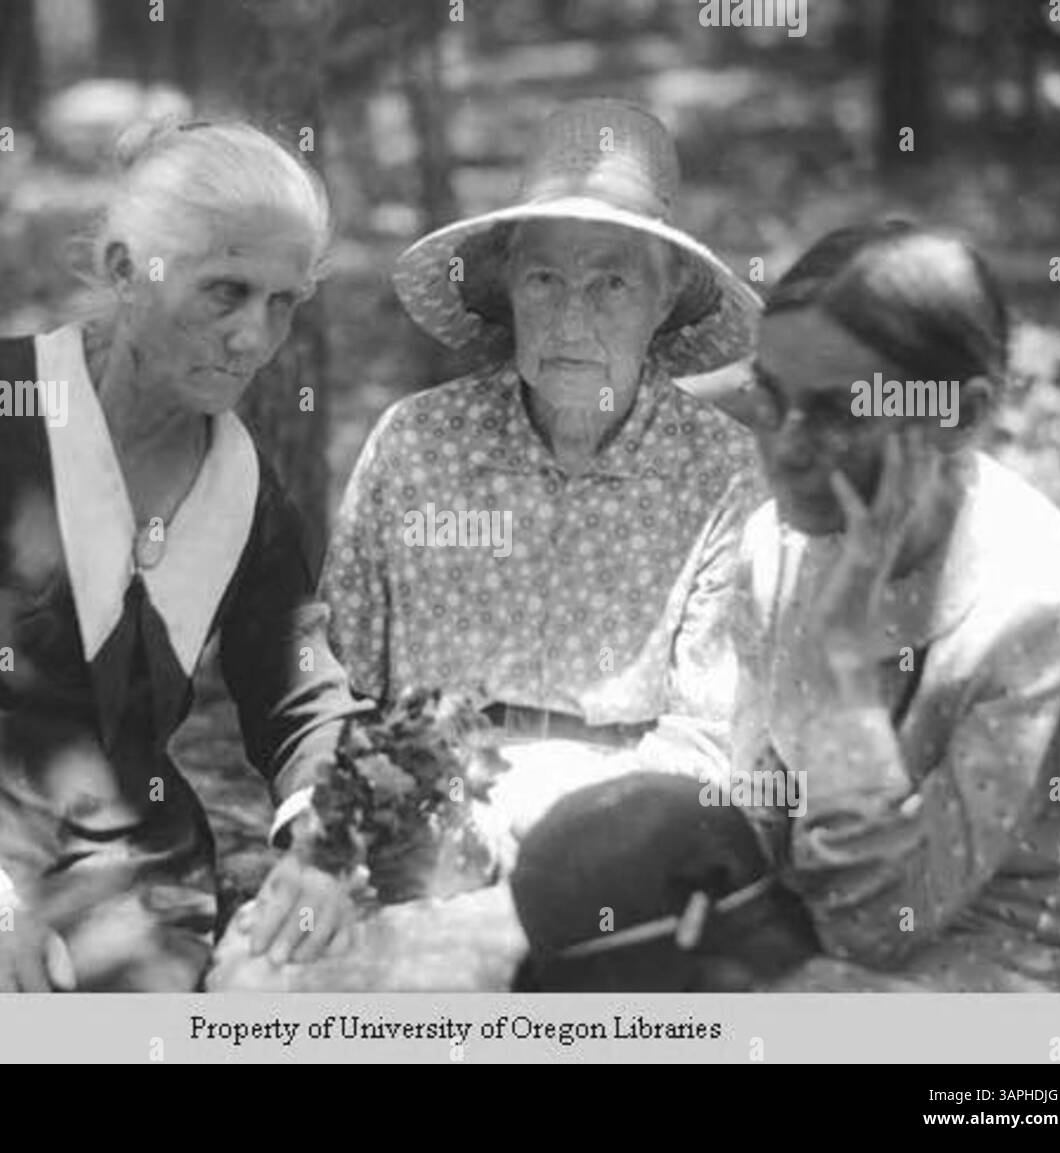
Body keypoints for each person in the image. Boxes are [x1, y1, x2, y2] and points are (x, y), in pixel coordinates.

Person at [0, 120, 367, 991]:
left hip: (119, 871)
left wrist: (325, 841)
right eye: (225, 290)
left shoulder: (243, 488)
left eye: (282, 301)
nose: (254, 338)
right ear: (123, 271)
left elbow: (303, 697)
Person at [318, 98, 766, 832]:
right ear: (508, 287)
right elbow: (344, 682)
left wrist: (553, 817)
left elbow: (712, 741)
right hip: (426, 820)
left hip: (628, 837)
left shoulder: (719, 470)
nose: (570, 317)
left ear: (667, 297)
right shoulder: (418, 444)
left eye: (612, 284)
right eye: (543, 280)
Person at [732, 221, 1060, 991]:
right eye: (772, 399)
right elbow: (759, 802)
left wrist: (842, 658)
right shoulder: (777, 546)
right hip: (828, 938)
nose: (789, 447)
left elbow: (878, 926)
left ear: (961, 414)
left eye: (839, 412)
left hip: (1020, 976)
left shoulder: (1042, 605)